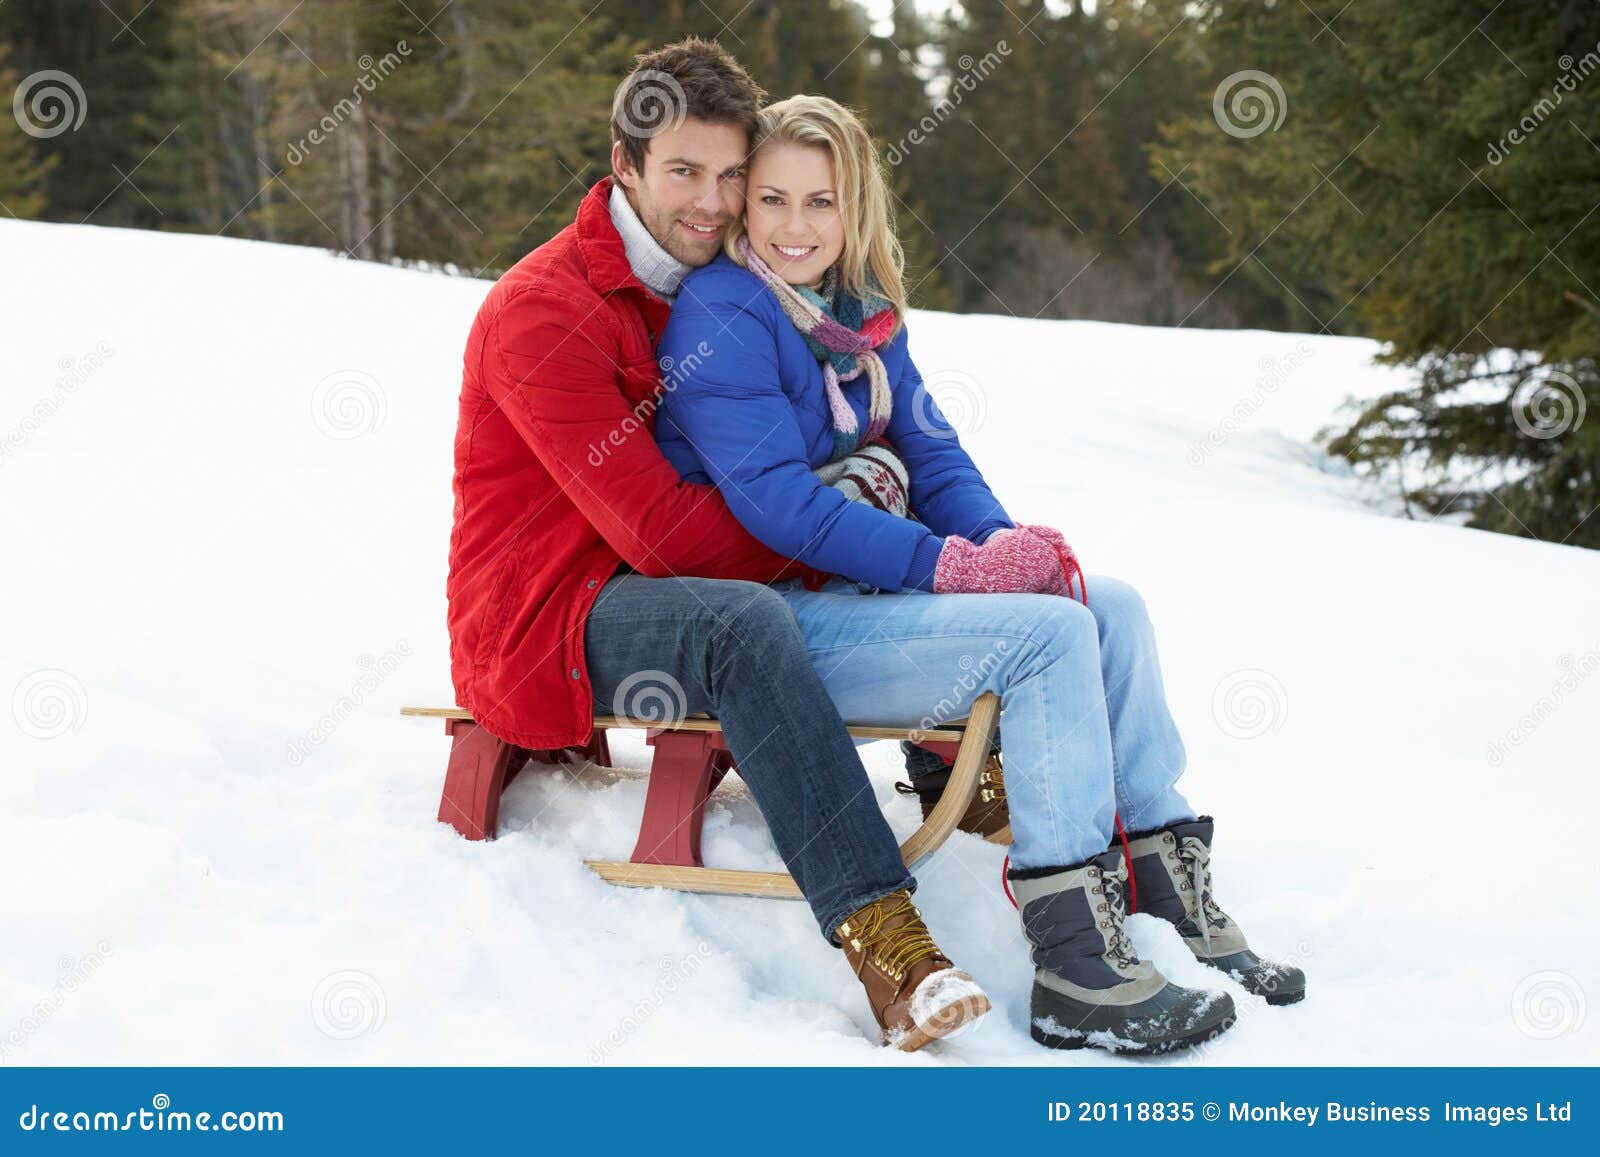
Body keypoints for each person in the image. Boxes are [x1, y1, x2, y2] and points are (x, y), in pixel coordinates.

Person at [654, 94, 1307, 1054]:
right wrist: (951, 566)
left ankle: (1160, 883)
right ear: (745, 204)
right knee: (1046, 641)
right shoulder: (724, 313)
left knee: (1102, 606)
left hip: (869, 599)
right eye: (774, 200)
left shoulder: (863, 317)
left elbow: (933, 451)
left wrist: (1004, 553)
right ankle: (1077, 964)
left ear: (855, 208)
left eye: (821, 202)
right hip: (780, 625)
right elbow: (778, 506)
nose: (796, 227)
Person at [446, 40, 990, 1052]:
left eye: (730, 174)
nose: (710, 199)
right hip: (548, 612)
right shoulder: (545, 310)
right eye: (682, 172)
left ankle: (957, 747)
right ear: (625, 165)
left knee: (852, 520)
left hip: (644, 589)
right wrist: (831, 535)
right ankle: (887, 943)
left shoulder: (706, 286)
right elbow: (656, 532)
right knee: (746, 617)